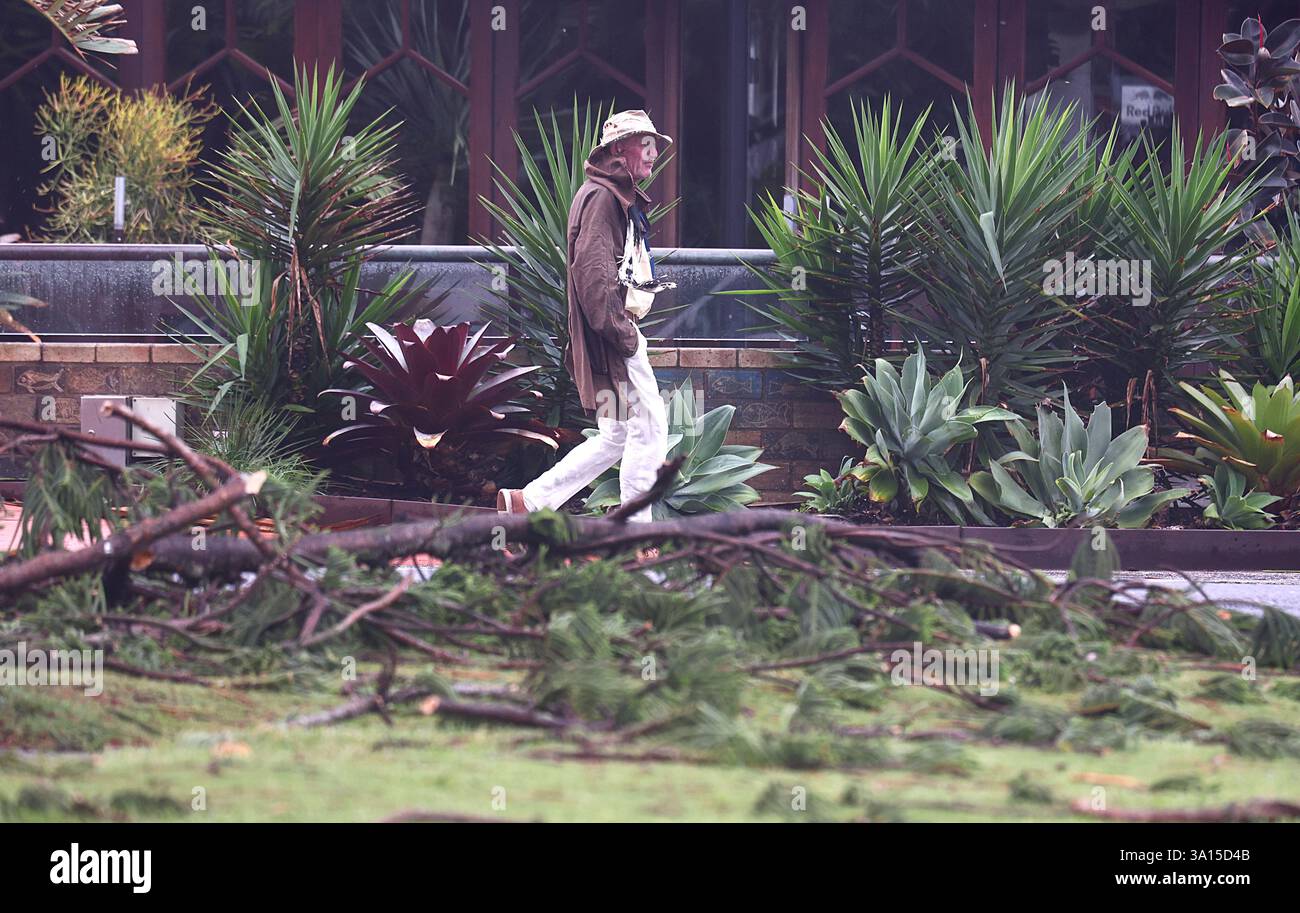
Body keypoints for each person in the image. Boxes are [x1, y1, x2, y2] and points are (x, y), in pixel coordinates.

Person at [496, 110, 675, 523]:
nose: (652, 155)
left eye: (654, 146)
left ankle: (529, 502)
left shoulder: (610, 195)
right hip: (613, 335)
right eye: (644, 145)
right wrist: (621, 334)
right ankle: (635, 533)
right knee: (648, 429)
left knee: (615, 434)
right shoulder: (602, 198)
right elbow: (592, 274)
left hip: (610, 331)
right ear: (618, 149)